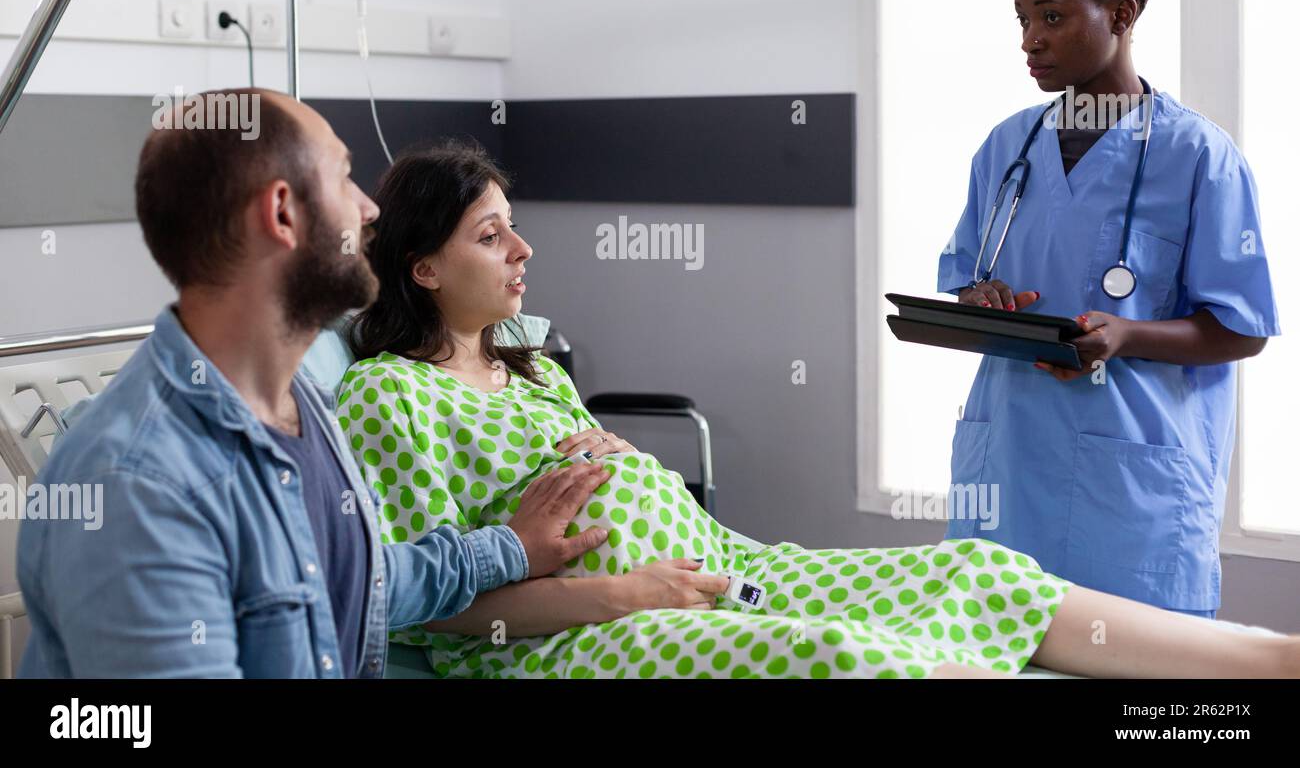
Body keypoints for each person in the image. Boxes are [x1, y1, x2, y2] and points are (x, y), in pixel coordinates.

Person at [339, 140, 1298, 678]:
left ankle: (1273, 661)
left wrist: (624, 484)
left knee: (977, 573)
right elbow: (420, 612)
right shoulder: (388, 396)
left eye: (516, 228)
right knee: (841, 653)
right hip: (585, 635)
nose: (524, 253)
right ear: (422, 268)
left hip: (727, 567)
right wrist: (623, 590)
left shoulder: (531, 366)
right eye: (492, 235)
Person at [16, 89, 612, 678]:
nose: (370, 209)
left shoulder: (297, 406)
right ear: (281, 214)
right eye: (344, 178)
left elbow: (355, 578)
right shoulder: (140, 484)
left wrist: (509, 549)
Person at [936, 0, 1280, 618]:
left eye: (1052, 18)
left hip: (1131, 494)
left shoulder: (1200, 157)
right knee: (993, 656)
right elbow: (966, 278)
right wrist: (980, 298)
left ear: (1121, 12)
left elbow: (1241, 328)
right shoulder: (1005, 149)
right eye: (1023, 19)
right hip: (1007, 467)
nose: (1030, 41)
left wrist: (1127, 335)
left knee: (1141, 694)